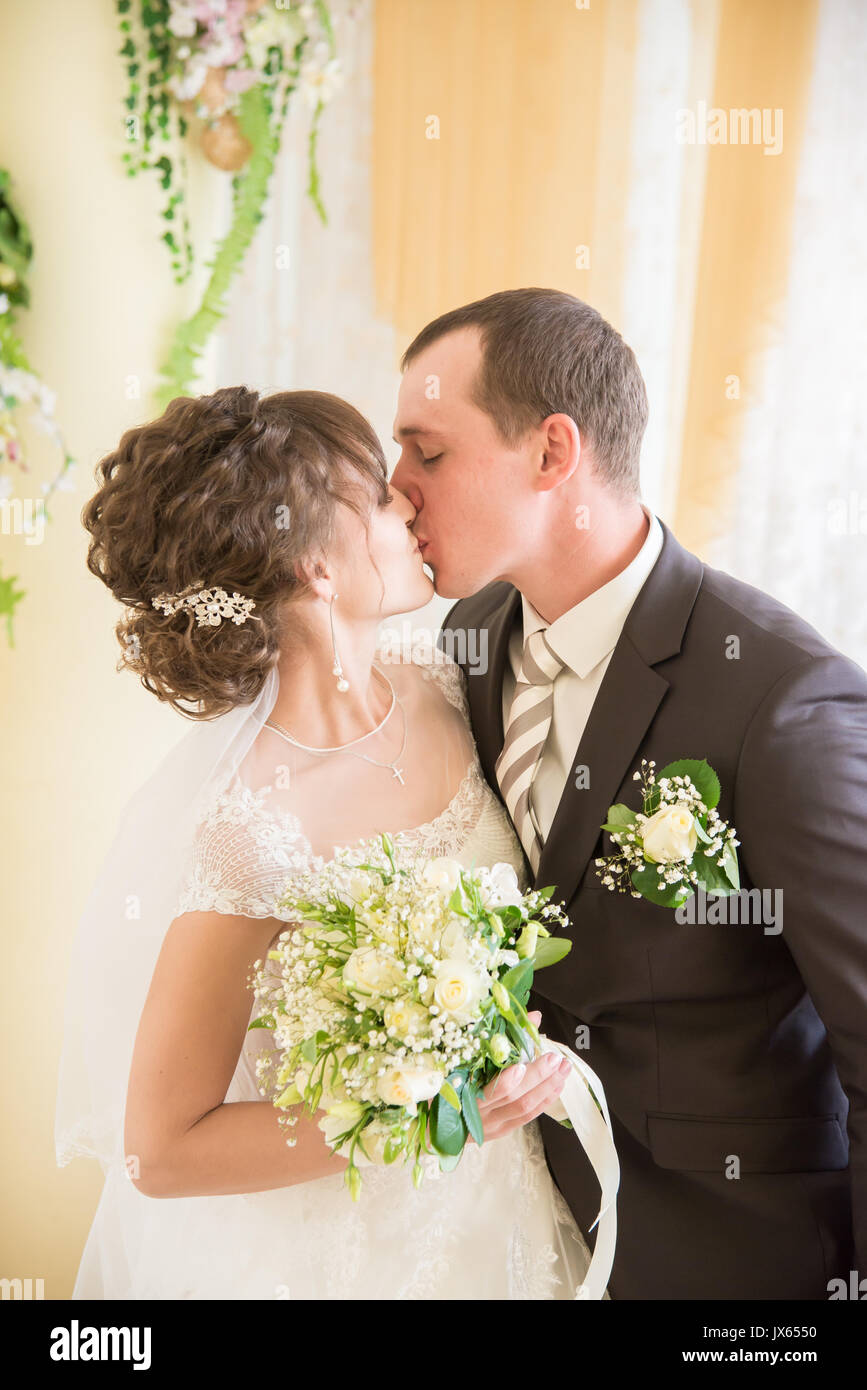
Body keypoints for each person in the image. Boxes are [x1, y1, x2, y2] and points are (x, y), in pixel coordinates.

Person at [55, 385, 596, 1300]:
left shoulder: (448, 683)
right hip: (348, 1254)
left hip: (500, 1212)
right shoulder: (250, 831)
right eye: (379, 500)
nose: (408, 498)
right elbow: (160, 1150)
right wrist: (419, 1113)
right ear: (315, 564)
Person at [391, 286, 867, 1300]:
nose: (395, 492)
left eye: (426, 452)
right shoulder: (467, 639)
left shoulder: (780, 696)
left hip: (737, 1258)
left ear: (553, 454)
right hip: (522, 1234)